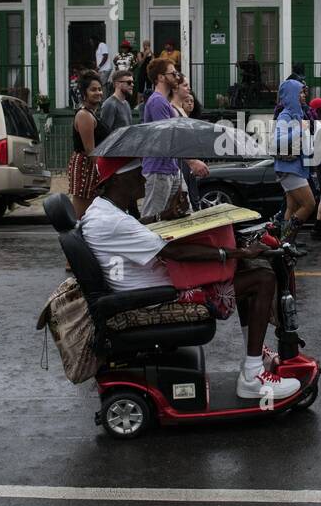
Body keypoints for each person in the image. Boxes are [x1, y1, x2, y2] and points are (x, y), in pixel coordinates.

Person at [81, 156, 299, 401]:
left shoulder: (101, 211)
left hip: (148, 285)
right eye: (136, 174)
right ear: (117, 179)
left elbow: (135, 228)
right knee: (263, 278)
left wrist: (164, 215)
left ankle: (255, 354)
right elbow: (173, 251)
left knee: (243, 269)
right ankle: (252, 376)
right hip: (156, 296)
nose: (143, 178)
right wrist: (237, 252)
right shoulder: (113, 221)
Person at [140, 58, 207, 221]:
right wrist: (192, 161)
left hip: (171, 168)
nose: (177, 76)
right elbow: (167, 136)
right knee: (152, 218)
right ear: (161, 77)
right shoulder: (157, 101)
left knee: (183, 213)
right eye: (173, 73)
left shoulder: (164, 103)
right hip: (158, 169)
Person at [273, 78, 316, 246]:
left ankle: (287, 244)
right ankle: (286, 240)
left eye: (304, 92)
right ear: (291, 95)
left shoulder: (296, 114)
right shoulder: (285, 115)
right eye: (300, 92)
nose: (303, 95)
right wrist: (300, 129)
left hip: (294, 167)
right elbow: (278, 141)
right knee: (309, 204)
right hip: (289, 168)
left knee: (292, 207)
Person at [68, 71, 105, 219]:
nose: (98, 92)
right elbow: (91, 150)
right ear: (84, 93)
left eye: (99, 89)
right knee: (82, 216)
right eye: (93, 89)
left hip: (93, 166)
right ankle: (76, 240)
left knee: (92, 215)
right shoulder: (84, 115)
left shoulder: (92, 114)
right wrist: (105, 171)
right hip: (86, 166)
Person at [98, 69, 135, 141]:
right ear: (117, 84)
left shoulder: (126, 104)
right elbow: (105, 134)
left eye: (132, 82)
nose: (132, 85)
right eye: (129, 82)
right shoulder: (110, 104)